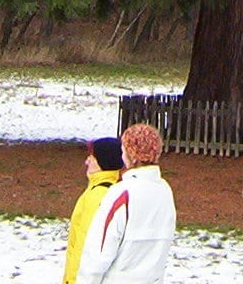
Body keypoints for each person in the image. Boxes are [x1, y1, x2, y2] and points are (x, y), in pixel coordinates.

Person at [76, 121, 176, 284]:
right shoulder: (164, 191)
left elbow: (99, 253)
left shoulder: (122, 193)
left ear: (132, 154)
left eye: (123, 150)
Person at [63, 137, 124, 284]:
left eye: (92, 157)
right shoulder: (115, 189)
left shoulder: (97, 195)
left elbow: (85, 247)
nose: (87, 162)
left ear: (102, 162)